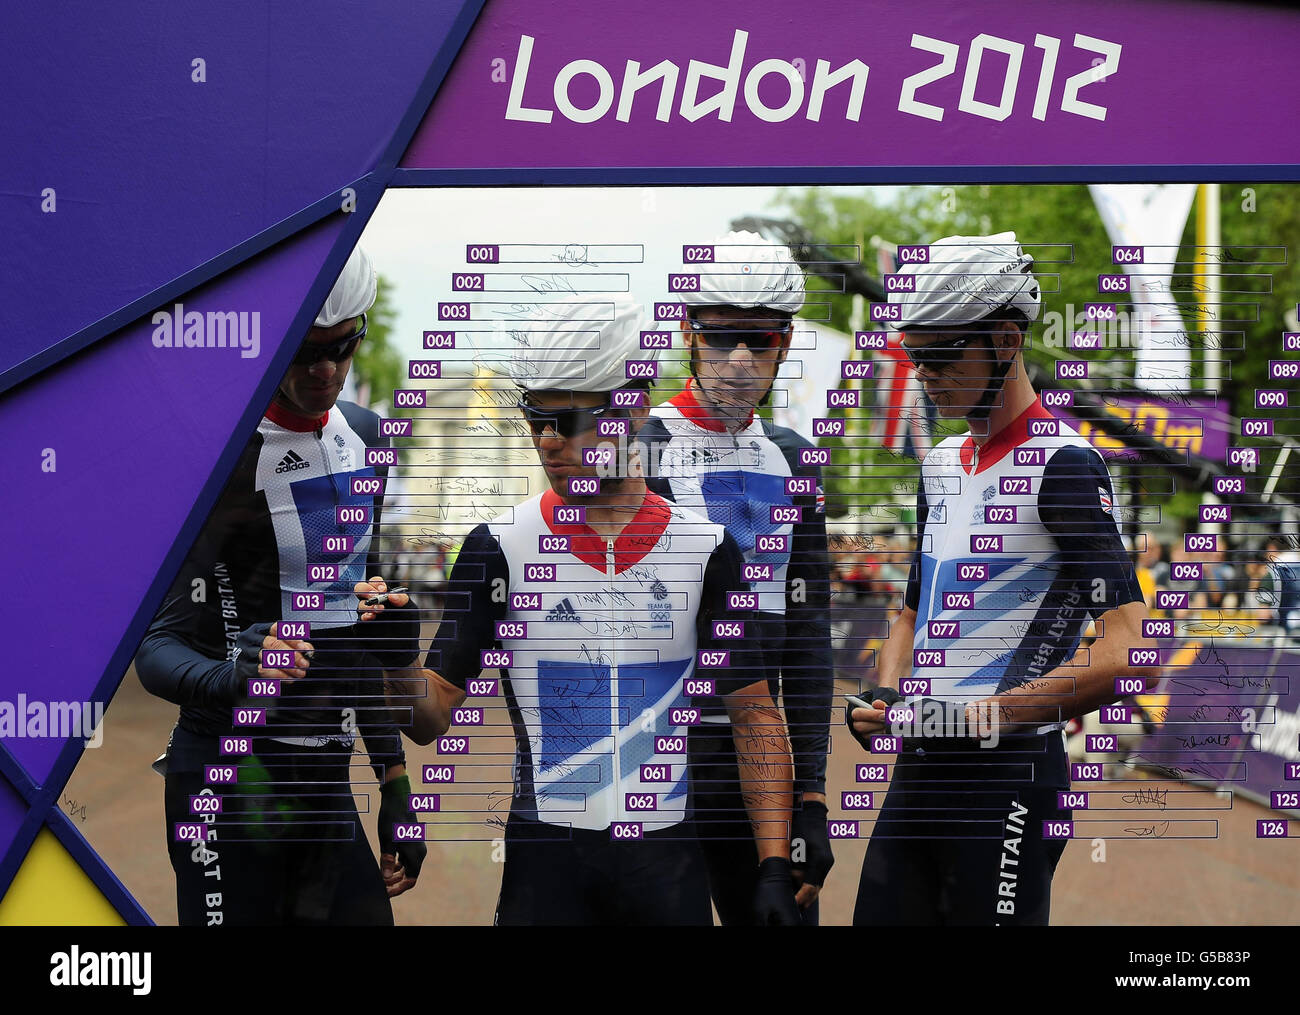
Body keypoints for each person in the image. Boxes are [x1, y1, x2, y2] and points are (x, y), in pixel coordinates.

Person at [385, 296, 801, 925]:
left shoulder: (707, 549)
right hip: (545, 864)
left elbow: (754, 717)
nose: (549, 442)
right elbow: (430, 716)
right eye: (536, 420)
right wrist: (393, 659)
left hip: (666, 864)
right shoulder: (498, 545)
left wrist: (771, 866)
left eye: (571, 420)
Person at [847, 232, 1160, 926]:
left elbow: (1134, 651)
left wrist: (992, 712)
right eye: (914, 356)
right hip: (921, 767)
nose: (925, 375)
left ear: (1007, 339)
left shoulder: (1065, 465)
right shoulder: (940, 464)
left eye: (941, 355)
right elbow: (913, 612)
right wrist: (887, 692)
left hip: (1009, 781)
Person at [136, 246, 426, 926]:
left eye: (343, 347)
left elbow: (362, 628)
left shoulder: (366, 439)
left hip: (325, 775)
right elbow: (158, 644)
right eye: (303, 351)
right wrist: (232, 675)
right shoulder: (215, 451)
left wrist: (395, 781)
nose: (325, 370)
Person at [635, 232, 834, 924]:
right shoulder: (638, 446)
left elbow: (809, 638)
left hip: (761, 766)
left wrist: (811, 794)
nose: (742, 361)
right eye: (722, 339)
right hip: (657, 761)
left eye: (762, 339)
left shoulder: (796, 459)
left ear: (786, 341)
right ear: (689, 334)